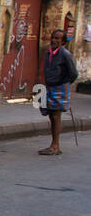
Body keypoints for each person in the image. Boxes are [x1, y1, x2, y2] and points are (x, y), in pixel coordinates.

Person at [38, 28, 78, 156]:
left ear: (63, 41)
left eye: (57, 38)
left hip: (59, 88)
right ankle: (53, 144)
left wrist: (62, 83)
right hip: (49, 86)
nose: (54, 40)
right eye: (53, 37)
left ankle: (55, 146)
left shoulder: (65, 54)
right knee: (50, 115)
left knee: (56, 115)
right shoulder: (49, 53)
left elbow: (73, 74)